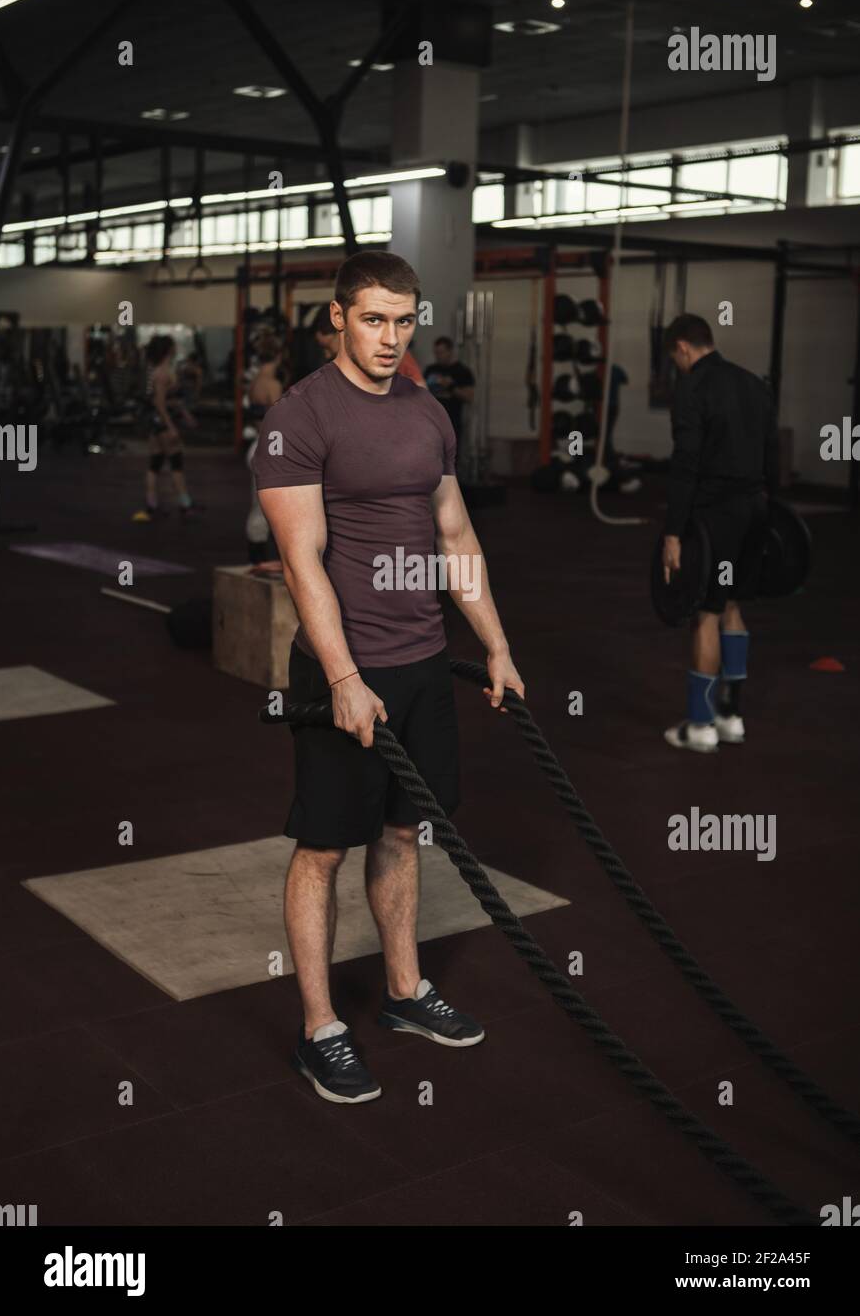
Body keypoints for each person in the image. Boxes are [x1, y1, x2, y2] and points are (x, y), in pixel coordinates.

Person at [253, 250, 524, 1104]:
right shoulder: (299, 418)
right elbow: (303, 563)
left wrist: (496, 646)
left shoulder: (427, 412)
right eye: (373, 319)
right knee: (325, 848)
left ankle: (405, 995)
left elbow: (456, 541)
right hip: (345, 671)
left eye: (404, 322)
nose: (390, 338)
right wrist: (340, 676)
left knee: (406, 834)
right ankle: (321, 1029)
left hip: (418, 666)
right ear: (337, 317)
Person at [661, 314, 779, 753]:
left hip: (716, 518)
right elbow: (772, 457)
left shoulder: (692, 387)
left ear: (684, 349)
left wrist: (674, 533)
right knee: (732, 606)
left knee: (706, 614)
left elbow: (686, 463)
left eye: (676, 358)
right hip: (756, 513)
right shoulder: (754, 384)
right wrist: (769, 517)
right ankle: (731, 716)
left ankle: (701, 724)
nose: (678, 365)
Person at [133, 335, 197, 522]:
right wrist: (171, 427)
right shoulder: (162, 373)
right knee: (175, 463)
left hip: (159, 422)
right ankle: (185, 504)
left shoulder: (165, 371)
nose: (176, 348)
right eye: (173, 346)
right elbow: (159, 403)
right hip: (162, 423)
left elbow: (171, 400)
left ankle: (152, 506)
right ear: (168, 350)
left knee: (156, 464)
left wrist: (186, 415)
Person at [244, 334, 285, 562]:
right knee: (276, 510)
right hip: (270, 448)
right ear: (278, 357)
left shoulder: (254, 383)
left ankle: (257, 563)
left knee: (257, 508)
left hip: (255, 445)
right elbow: (279, 421)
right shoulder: (273, 384)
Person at [423, 335, 475, 448]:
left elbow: (469, 397)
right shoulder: (430, 370)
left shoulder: (462, 371)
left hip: (452, 423)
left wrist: (451, 386)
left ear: (450, 351)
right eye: (436, 353)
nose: (438, 356)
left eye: (441, 352)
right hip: (431, 423)